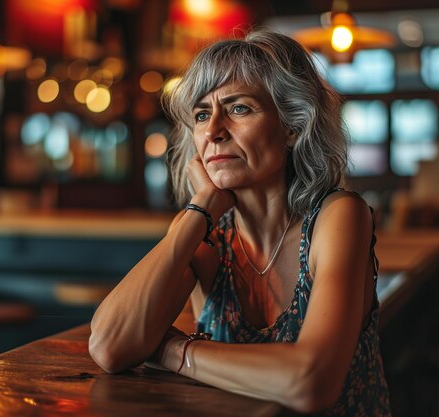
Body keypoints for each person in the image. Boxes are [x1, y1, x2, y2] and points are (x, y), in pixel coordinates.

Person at [89, 30, 391, 416]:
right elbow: (109, 347)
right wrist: (198, 210)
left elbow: (311, 382)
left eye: (239, 108)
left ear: (292, 126)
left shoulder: (337, 217)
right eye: (201, 115)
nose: (213, 131)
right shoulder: (207, 240)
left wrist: (171, 349)